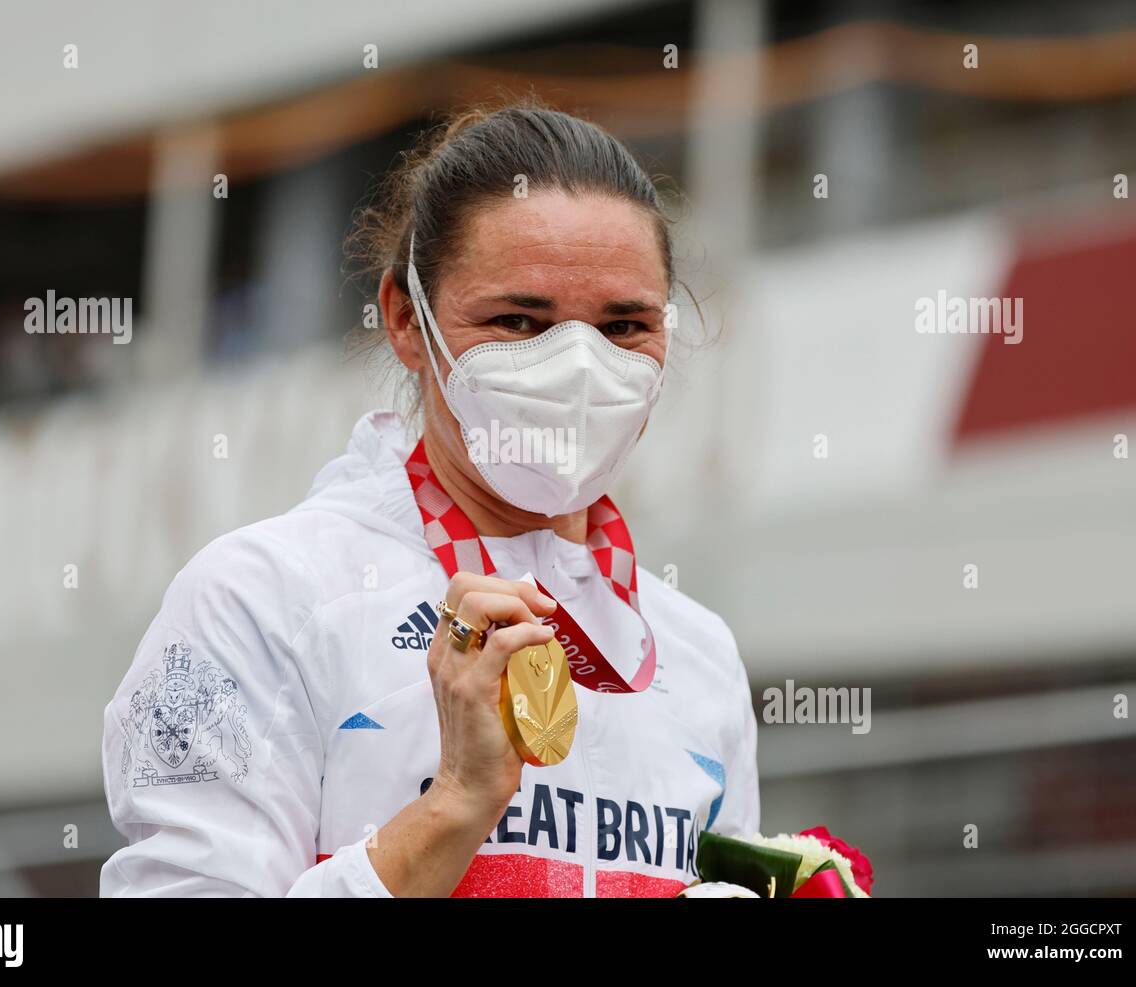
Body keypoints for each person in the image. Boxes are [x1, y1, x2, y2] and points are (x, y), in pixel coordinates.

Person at [99, 98, 758, 898]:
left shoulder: (699, 654)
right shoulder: (260, 600)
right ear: (407, 320)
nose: (582, 367)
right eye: (520, 320)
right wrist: (453, 806)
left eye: (623, 328)